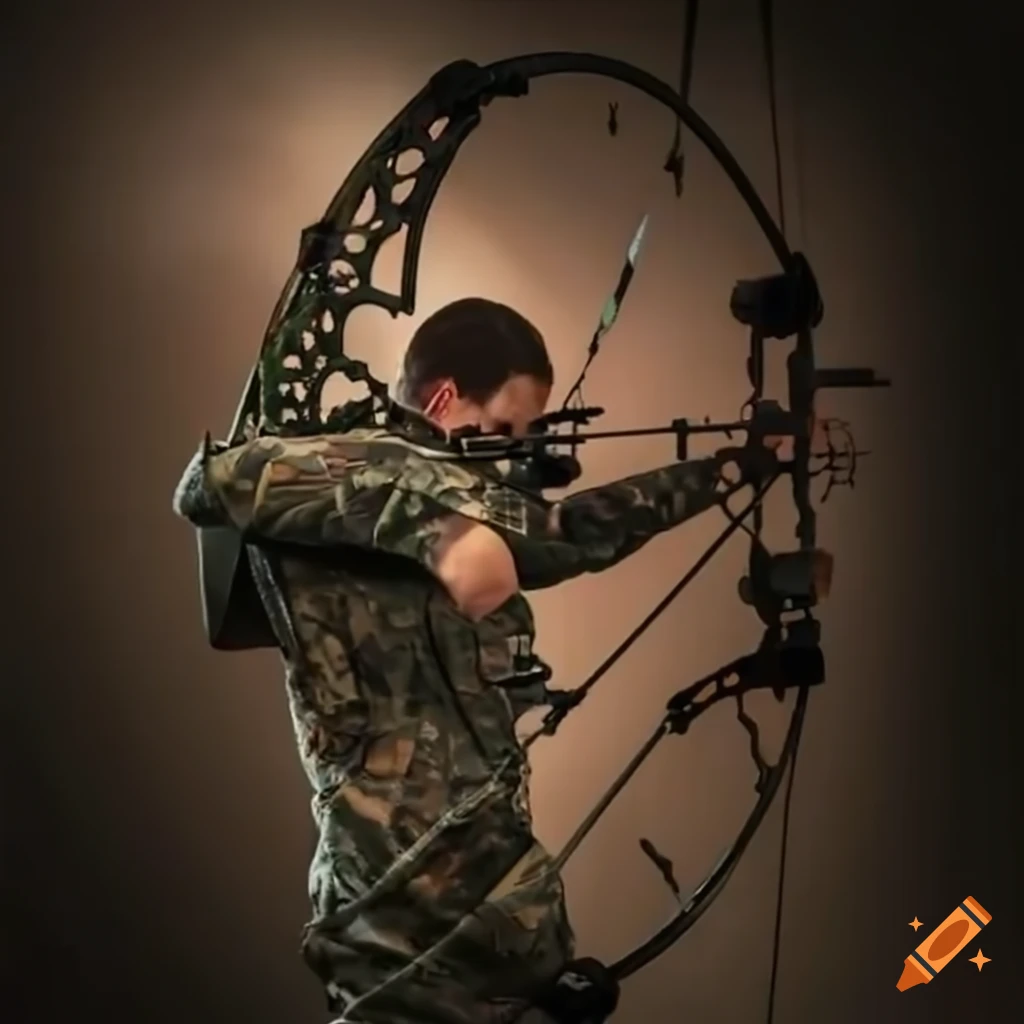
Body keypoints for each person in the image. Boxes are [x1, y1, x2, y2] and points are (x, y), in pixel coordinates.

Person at [173, 297, 766, 1024]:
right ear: (447, 399)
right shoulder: (335, 465)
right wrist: (440, 531)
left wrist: (735, 469)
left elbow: (569, 529)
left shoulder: (470, 491)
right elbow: (210, 483)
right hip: (390, 898)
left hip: (498, 883)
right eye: (505, 428)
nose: (518, 451)